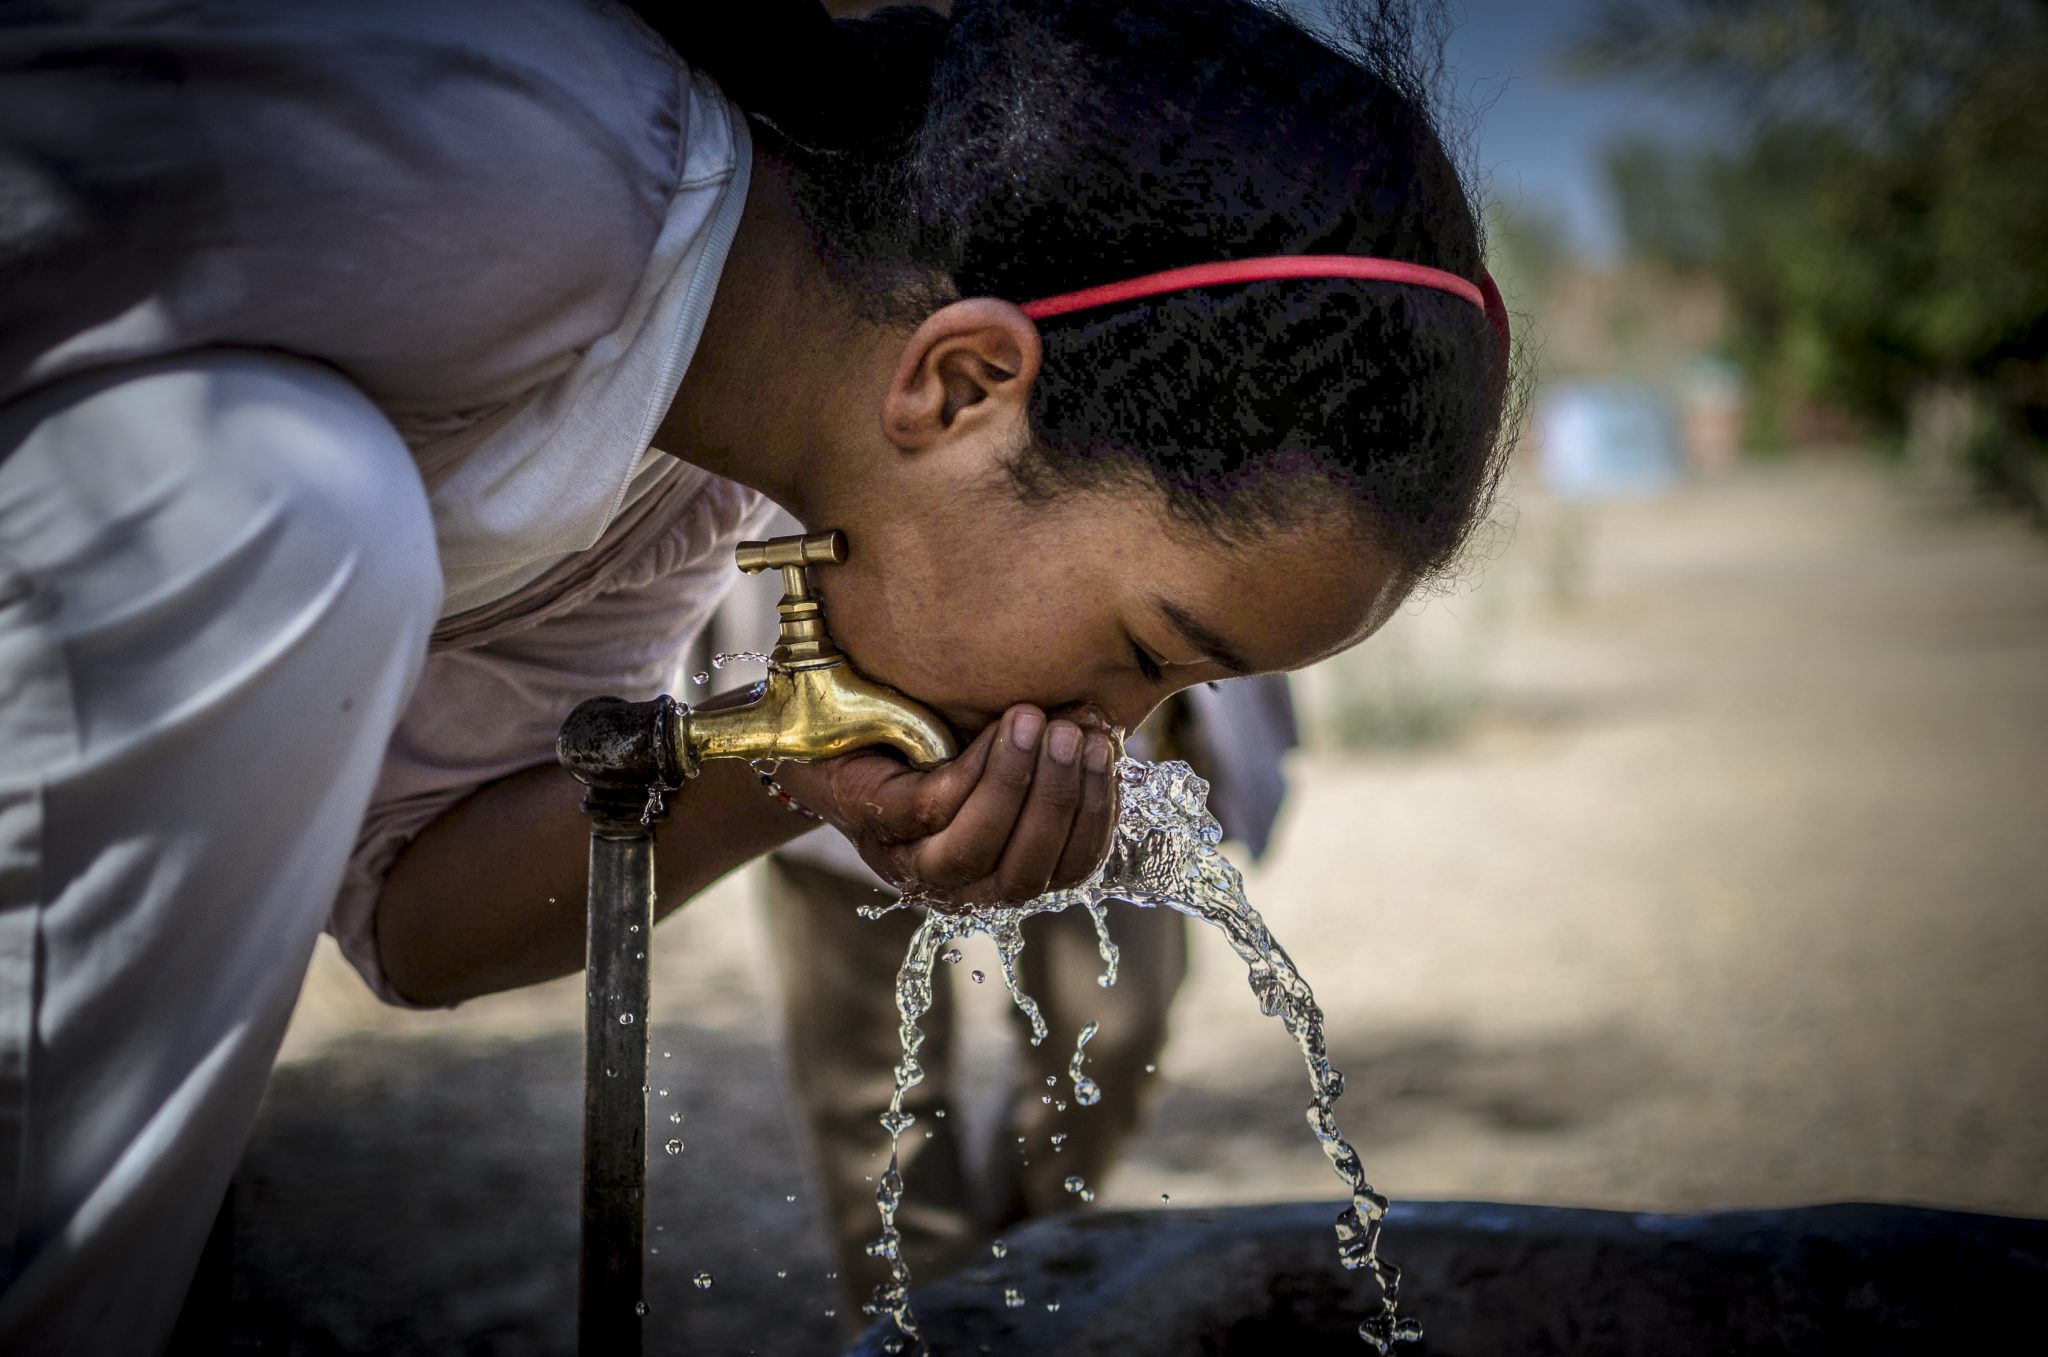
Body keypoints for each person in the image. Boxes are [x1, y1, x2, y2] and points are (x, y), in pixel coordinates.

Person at [0, 0, 1514, 1349]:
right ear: (965, 384)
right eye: (1144, 657)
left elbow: (415, 917)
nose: (1111, 740)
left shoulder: (677, 490)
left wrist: (789, 770)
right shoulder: (518, 167)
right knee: (291, 508)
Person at [695, 521, 1299, 1320]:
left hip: (1110, 666)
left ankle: (1030, 1266)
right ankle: (921, 1325)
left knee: (1116, 1029)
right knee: (876, 1096)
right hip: (840, 631)